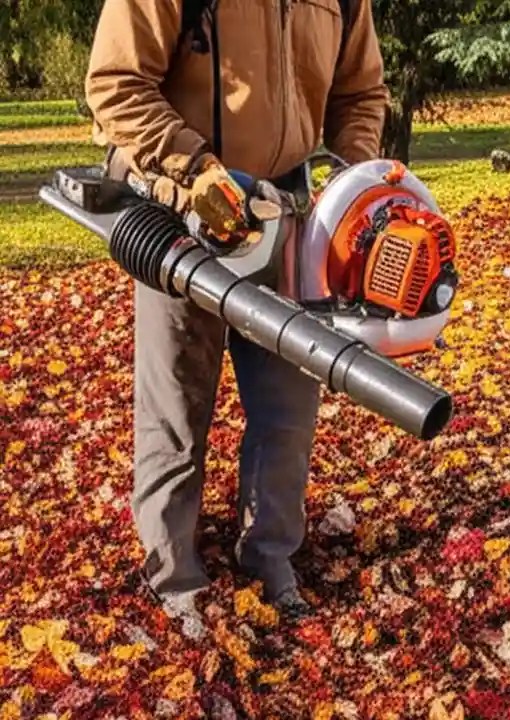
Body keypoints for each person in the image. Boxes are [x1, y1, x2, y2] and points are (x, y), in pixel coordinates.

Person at [83, 0, 388, 637]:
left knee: (288, 406)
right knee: (177, 404)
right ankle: (174, 576)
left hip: (288, 215)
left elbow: (361, 91)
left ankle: (271, 558)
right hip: (182, 212)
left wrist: (345, 179)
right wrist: (192, 167)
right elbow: (116, 82)